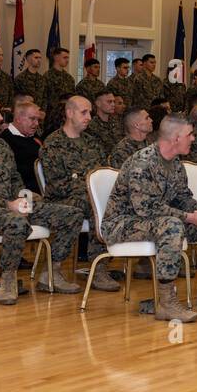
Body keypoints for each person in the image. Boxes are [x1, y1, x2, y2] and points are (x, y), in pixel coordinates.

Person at [0, 94, 86, 304]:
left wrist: (25, 196)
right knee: (16, 222)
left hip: (12, 206)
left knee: (71, 214)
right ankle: (8, 278)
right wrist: (8, 204)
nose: (1, 118)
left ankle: (51, 272)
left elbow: (14, 180)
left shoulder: (1, 145)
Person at [103, 114, 197, 319]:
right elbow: (145, 208)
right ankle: (166, 303)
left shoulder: (175, 163)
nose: (193, 138)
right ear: (175, 138)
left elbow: (182, 196)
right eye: (190, 134)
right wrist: (190, 217)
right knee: (172, 226)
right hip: (123, 223)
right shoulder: (143, 162)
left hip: (153, 220)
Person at [41, 95, 120, 291]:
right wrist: (91, 189)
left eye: (90, 113)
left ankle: (100, 266)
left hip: (89, 198)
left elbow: (103, 173)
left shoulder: (92, 143)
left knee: (109, 202)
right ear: (69, 113)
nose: (89, 117)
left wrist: (95, 190)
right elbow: (57, 184)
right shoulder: (53, 144)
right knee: (94, 203)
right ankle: (54, 270)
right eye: (84, 112)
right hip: (62, 200)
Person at [0, 98, 44, 192]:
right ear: (18, 119)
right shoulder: (5, 140)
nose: (36, 124)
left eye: (38, 120)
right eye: (32, 119)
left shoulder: (33, 136)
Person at [41, 47, 76, 133]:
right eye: (65, 57)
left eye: (68, 57)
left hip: (67, 115)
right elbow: (44, 97)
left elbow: (73, 98)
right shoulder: (47, 76)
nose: (67, 60)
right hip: (52, 117)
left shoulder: (69, 78)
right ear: (56, 58)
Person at [86, 90, 123, 155]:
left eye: (114, 102)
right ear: (98, 104)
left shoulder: (117, 122)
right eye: (109, 102)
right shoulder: (91, 125)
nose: (113, 104)